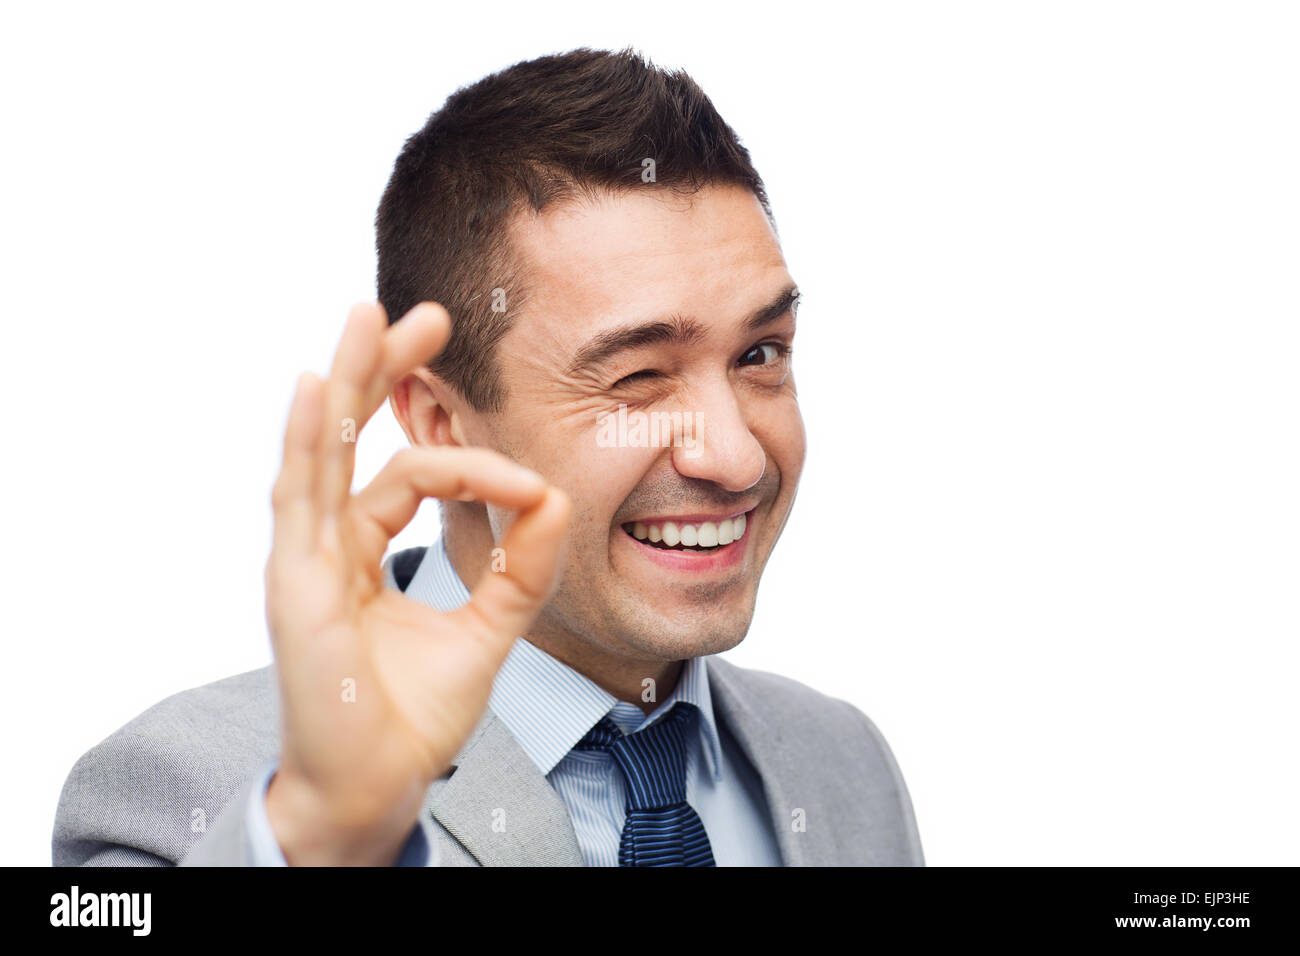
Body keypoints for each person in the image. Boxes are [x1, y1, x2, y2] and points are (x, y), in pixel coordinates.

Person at [52, 46, 923, 867]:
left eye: (760, 354)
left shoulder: (842, 767)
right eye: (639, 375)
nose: (734, 457)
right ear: (438, 421)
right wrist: (322, 833)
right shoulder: (188, 795)